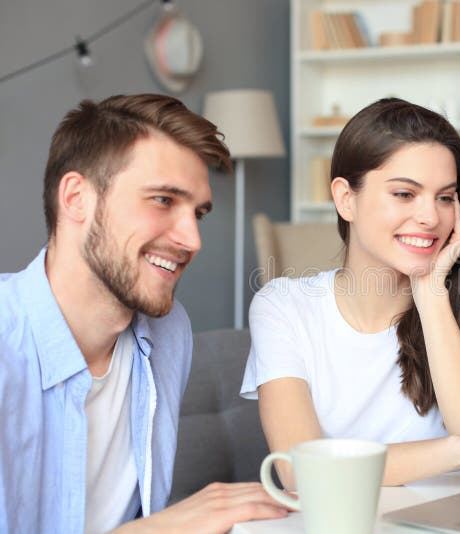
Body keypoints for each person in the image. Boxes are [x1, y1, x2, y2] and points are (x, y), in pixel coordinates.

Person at [0, 94, 290, 533]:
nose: (192, 240)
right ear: (77, 198)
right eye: (162, 200)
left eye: (198, 214)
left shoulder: (169, 332)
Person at [241, 98, 460, 489]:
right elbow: (301, 473)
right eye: (404, 194)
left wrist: (431, 298)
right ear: (345, 199)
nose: (430, 218)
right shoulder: (283, 307)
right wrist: (458, 450)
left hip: (451, 517)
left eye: (445, 197)